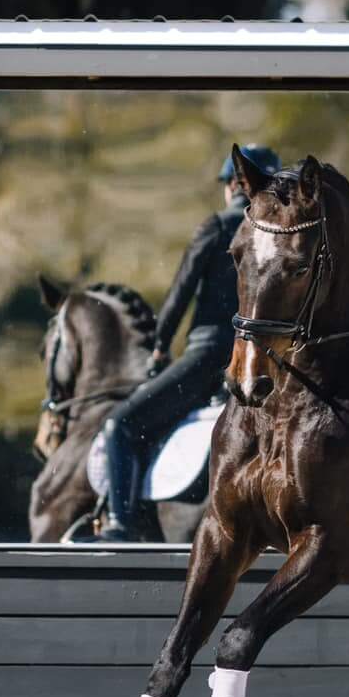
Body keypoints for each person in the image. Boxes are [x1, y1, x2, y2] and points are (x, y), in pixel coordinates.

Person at [97, 144, 280, 542]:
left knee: (121, 425)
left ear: (232, 184)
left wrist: (161, 345)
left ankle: (121, 524)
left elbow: (180, 292)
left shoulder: (216, 227)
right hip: (265, 362)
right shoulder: (279, 235)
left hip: (209, 358)